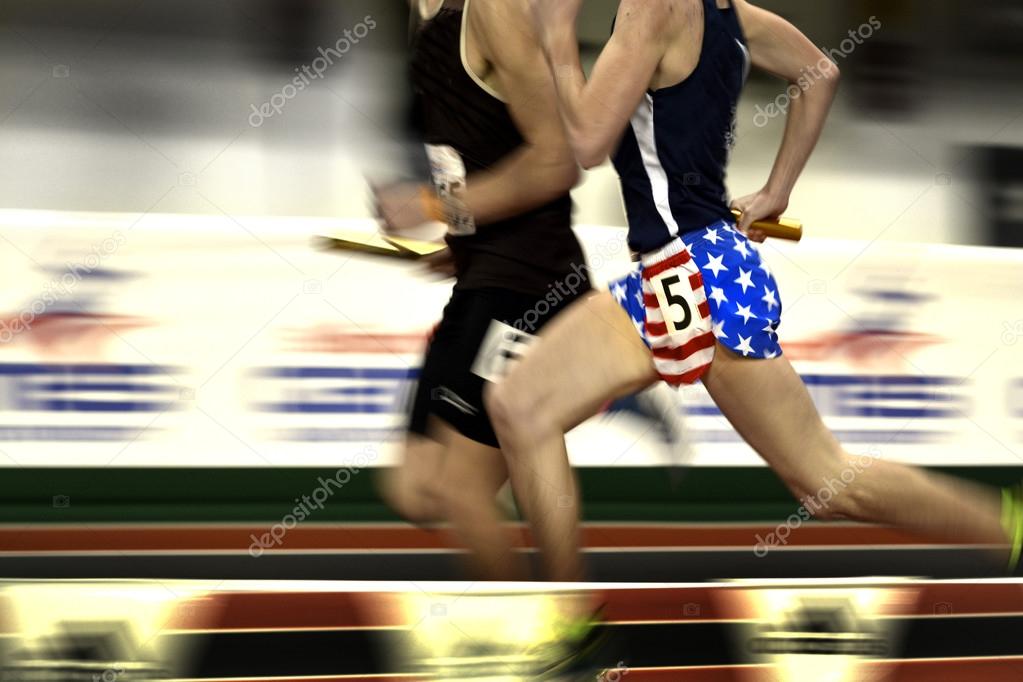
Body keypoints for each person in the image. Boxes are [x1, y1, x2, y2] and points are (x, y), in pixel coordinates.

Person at [486, 0, 1021, 583]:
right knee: (521, 406)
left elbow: (588, 141)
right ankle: (567, 614)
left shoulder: (651, 8)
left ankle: (1005, 526)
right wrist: (777, 191)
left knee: (824, 481)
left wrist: (560, 36)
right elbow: (821, 72)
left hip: (697, 274)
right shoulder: (733, 14)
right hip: (675, 271)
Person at [373, 0, 594, 581]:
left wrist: (432, 206)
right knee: (415, 488)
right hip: (483, 278)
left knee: (457, 488)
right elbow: (477, 151)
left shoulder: (492, 9)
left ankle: (562, 629)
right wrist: (461, 234)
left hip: (531, 285)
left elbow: (557, 161)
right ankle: (540, 606)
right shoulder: (422, 13)